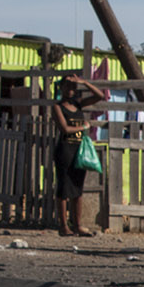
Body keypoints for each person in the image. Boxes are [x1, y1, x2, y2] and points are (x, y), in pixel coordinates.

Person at [51, 72, 107, 238]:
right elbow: (65, 129)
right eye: (67, 85)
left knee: (77, 189)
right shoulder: (57, 107)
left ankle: (78, 225)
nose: (71, 89)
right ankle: (63, 226)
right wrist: (83, 127)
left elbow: (100, 95)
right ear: (61, 87)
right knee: (63, 189)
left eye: (73, 86)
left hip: (79, 151)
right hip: (65, 150)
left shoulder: (78, 104)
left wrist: (84, 82)